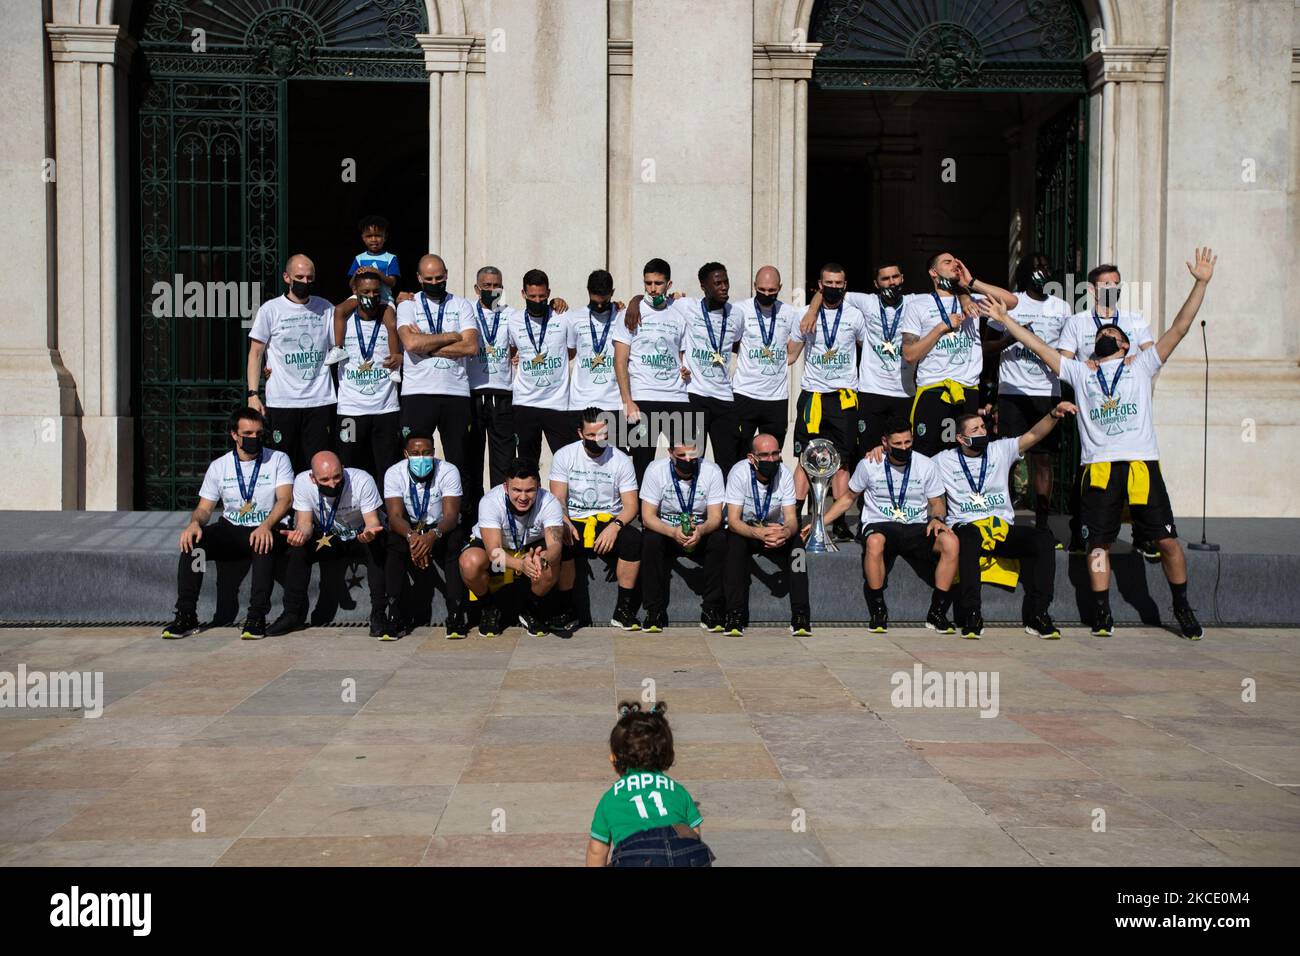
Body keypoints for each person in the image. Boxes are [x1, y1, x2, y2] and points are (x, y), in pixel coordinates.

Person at [987, 247, 1217, 640]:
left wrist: (1200, 283)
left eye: (1112, 333)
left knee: (1168, 541)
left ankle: (1181, 605)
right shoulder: (1081, 371)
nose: (1105, 334)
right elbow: (1039, 347)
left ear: (1126, 345)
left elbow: (1179, 328)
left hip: (1142, 463)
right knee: (1097, 546)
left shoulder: (1141, 366)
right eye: (1100, 334)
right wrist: (1007, 319)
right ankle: (1101, 612)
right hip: (1098, 468)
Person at [934, 406, 1076, 640]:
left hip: (1001, 528)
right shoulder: (943, 460)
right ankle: (971, 614)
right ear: (961, 438)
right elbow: (914, 469)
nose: (982, 431)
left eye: (982, 427)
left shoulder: (999, 449)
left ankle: (1039, 615)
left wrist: (1053, 415)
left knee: (1043, 540)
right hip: (967, 526)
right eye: (975, 429)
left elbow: (1033, 435)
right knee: (967, 537)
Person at [162, 407, 294, 640]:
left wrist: (266, 525)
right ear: (234, 435)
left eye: (258, 433)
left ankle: (256, 617)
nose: (254, 438)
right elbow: (204, 508)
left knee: (263, 544)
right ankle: (186, 614)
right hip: (230, 529)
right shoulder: (219, 466)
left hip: (266, 527)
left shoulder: (278, 459)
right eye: (248, 433)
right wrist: (194, 523)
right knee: (195, 546)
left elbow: (285, 499)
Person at [819, 417, 957, 634]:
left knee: (950, 542)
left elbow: (937, 502)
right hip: (879, 523)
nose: (904, 448)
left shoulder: (925, 464)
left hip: (915, 525)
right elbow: (847, 498)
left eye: (908, 443)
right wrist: (819, 523)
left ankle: (937, 612)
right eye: (898, 444)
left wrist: (937, 519)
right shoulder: (869, 464)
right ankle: (878, 609)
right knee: (874, 542)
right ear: (885, 442)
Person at [1057, 262, 1156, 556]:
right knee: (1087, 472)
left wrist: (1134, 359)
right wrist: (1084, 362)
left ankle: (1143, 534)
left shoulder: (1135, 320)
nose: (1112, 289)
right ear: (1092, 290)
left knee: (1137, 473)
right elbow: (1063, 360)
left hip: (1130, 410)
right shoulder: (1077, 323)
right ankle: (1080, 530)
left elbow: (1152, 356)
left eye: (1116, 284)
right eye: (1106, 286)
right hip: (1094, 410)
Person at [901, 252, 1017, 458]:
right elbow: (909, 355)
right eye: (947, 262)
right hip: (933, 389)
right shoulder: (918, 305)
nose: (955, 264)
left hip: (967, 390)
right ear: (933, 272)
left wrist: (971, 282)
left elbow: (1011, 301)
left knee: (965, 454)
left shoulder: (972, 301)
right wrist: (940, 328)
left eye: (956, 261)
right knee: (924, 455)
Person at [994, 253, 1074, 541]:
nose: (1043, 272)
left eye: (1047, 268)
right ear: (1026, 272)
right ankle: (1004, 517)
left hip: (1046, 392)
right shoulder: (1010, 303)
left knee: (1042, 459)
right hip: (1012, 392)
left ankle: (1042, 524)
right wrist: (1009, 339)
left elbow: (1068, 350)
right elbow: (986, 346)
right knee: (1009, 458)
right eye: (1037, 268)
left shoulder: (1062, 308)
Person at [802, 259, 914, 460]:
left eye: (895, 277)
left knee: (904, 450)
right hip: (871, 390)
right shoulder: (866, 301)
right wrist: (811, 311)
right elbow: (828, 289)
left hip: (904, 391)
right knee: (868, 453)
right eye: (885, 278)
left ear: (903, 278)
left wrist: (966, 299)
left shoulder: (915, 302)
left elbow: (948, 298)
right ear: (876, 283)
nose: (891, 282)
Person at [270, 451, 387, 638]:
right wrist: (300, 535)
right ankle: (291, 613)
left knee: (378, 544)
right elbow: (305, 523)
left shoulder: (361, 480)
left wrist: (370, 531)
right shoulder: (302, 482)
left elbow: (372, 521)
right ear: (313, 478)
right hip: (328, 537)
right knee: (299, 549)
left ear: (343, 469)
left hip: (360, 534)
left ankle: (379, 614)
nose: (332, 484)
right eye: (324, 479)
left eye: (337, 477)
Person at [789, 262, 867, 541]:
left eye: (839, 283)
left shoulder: (856, 316)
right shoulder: (804, 315)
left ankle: (840, 520)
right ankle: (795, 517)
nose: (834, 288)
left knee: (842, 461)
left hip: (844, 397)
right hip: (813, 396)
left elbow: (866, 351)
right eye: (828, 284)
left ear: (845, 285)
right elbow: (790, 354)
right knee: (804, 458)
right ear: (819, 286)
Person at [586, 701, 712, 868]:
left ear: (616, 759)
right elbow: (694, 835)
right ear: (667, 755)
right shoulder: (677, 790)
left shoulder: (610, 798)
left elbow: (597, 851)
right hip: (683, 854)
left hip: (635, 856)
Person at [549, 409, 643, 632]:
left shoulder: (620, 459)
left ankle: (624, 610)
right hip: (575, 519)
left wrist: (615, 526)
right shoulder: (564, 455)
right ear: (580, 433)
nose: (597, 440)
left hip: (608, 519)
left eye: (601, 435)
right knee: (558, 538)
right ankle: (566, 609)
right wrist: (564, 521)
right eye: (591, 436)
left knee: (634, 540)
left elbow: (631, 505)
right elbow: (558, 498)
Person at [246, 254, 336, 473]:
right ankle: (285, 507)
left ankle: (313, 507)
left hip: (319, 400)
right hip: (282, 401)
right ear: (287, 277)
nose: (305, 282)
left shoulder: (326, 308)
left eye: (309, 277)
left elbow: (340, 347)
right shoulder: (270, 310)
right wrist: (253, 393)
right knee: (283, 463)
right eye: (299, 277)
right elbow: (256, 353)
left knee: (317, 462)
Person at [458, 458, 565, 638]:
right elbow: (493, 552)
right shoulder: (490, 501)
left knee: (550, 566)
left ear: (538, 486)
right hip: (497, 549)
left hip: (531, 546)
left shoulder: (550, 501)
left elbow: (555, 546)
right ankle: (489, 608)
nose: (523, 497)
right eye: (516, 490)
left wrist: (544, 559)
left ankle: (529, 609)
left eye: (530, 490)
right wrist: (520, 565)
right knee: (469, 562)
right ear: (506, 487)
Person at [395, 254, 478, 483]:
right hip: (417, 392)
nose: (434, 283)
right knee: (415, 458)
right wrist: (451, 337)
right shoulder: (408, 304)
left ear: (447, 275)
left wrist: (427, 343)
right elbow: (410, 344)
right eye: (428, 279)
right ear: (419, 277)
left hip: (456, 393)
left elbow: (470, 346)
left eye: (439, 278)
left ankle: (460, 514)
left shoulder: (461, 304)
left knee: (459, 460)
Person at [613, 258, 692, 483]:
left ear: (669, 284)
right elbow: (620, 360)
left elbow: (683, 355)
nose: (652, 288)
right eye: (648, 283)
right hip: (643, 398)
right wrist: (627, 401)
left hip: (677, 397)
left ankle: (679, 510)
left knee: (686, 458)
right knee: (641, 460)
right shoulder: (631, 313)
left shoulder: (679, 313)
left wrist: (687, 371)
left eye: (658, 283)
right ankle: (639, 514)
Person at [382, 430, 467, 639]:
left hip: (441, 527)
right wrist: (413, 538)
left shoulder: (448, 471)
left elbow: (451, 514)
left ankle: (455, 614)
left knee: (454, 542)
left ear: (434, 452)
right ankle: (394, 614)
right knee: (393, 542)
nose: (422, 457)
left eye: (427, 452)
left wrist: (433, 535)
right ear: (406, 454)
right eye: (416, 453)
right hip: (409, 528)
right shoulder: (394, 473)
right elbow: (394, 516)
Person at [723, 433, 808, 637]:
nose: (771, 460)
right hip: (747, 530)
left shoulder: (785, 474)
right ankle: (734, 616)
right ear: (752, 458)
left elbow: (791, 518)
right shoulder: (739, 473)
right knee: (734, 544)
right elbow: (733, 521)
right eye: (765, 455)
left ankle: (801, 616)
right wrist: (758, 533)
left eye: (775, 454)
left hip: (775, 531)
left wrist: (785, 533)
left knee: (798, 549)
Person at [638, 440, 727, 633]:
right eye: (682, 456)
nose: (688, 460)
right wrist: (672, 532)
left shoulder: (712, 471)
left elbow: (715, 517)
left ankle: (712, 609)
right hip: (667, 531)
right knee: (650, 540)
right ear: (670, 453)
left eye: (692, 456)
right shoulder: (655, 470)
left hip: (699, 530)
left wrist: (701, 531)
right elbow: (647, 517)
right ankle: (654, 611)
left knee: (720, 539)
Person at [324, 269, 403, 477]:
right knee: (349, 465)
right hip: (350, 410)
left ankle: (387, 510)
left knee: (387, 467)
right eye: (365, 291)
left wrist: (400, 357)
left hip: (386, 409)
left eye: (375, 292)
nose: (370, 296)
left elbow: (413, 351)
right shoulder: (341, 321)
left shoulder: (390, 320)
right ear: (355, 292)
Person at [507, 269, 574, 462]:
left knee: (566, 462)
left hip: (558, 404)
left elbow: (571, 351)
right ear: (523, 294)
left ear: (549, 293)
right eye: (532, 296)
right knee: (527, 464)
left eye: (542, 296)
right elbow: (510, 350)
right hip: (525, 403)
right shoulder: (513, 320)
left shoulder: (562, 317)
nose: (537, 301)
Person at [464, 265, 515, 518]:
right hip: (472, 394)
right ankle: (473, 520)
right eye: (487, 286)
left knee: (503, 463)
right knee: (472, 460)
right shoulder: (465, 312)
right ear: (477, 288)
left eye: (497, 285)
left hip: (503, 395)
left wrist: (558, 303)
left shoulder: (512, 314)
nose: (492, 290)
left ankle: (501, 516)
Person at [733, 265, 802, 450]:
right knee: (739, 454)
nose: (766, 293)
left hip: (776, 399)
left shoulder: (789, 313)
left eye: (771, 290)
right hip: (744, 394)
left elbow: (793, 353)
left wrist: (776, 362)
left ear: (780, 287)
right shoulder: (740, 309)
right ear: (754, 285)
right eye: (761, 289)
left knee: (771, 457)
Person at [566, 270, 625, 443]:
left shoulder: (623, 316)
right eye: (595, 301)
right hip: (580, 403)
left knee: (614, 461)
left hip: (614, 404)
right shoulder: (573, 318)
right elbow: (569, 353)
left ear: (612, 293)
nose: (599, 306)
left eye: (604, 301)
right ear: (587, 291)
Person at [347, 214, 400, 304]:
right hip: (361, 299)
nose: (374, 239)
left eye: (378, 235)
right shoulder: (359, 258)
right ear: (363, 237)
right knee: (341, 309)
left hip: (384, 299)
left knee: (389, 317)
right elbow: (352, 285)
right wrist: (356, 273)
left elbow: (392, 282)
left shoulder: (391, 258)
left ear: (385, 237)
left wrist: (376, 272)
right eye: (369, 236)